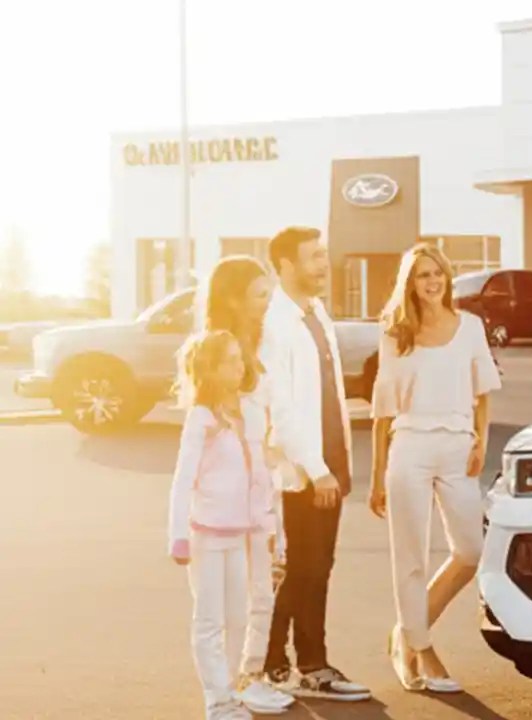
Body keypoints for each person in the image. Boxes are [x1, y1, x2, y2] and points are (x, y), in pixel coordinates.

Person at [368, 243, 501, 692]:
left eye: (437, 274)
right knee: (410, 557)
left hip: (458, 446)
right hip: (409, 447)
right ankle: (419, 651)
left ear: (446, 278)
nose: (431, 282)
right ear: (410, 283)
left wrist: (481, 438)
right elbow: (382, 410)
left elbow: (483, 390)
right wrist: (376, 477)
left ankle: (404, 632)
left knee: (469, 550)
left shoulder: (471, 328)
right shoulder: (395, 334)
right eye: (422, 275)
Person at [259, 227, 370, 701]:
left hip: (330, 464)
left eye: (325, 254)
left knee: (317, 567)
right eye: (313, 258)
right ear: (285, 265)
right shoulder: (275, 323)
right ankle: (284, 663)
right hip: (302, 473)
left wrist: (336, 464)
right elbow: (280, 407)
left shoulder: (317, 312)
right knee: (301, 568)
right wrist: (316, 467)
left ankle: (293, 663)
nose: (324, 264)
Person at [168, 330, 288, 719]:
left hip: (240, 534)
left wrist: (271, 528)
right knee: (209, 620)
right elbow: (183, 479)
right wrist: (178, 536)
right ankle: (217, 702)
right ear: (211, 370)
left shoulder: (245, 412)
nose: (241, 366)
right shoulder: (201, 419)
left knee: (237, 616)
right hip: (206, 537)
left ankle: (232, 691)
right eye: (231, 361)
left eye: (241, 358)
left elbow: (261, 476)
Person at [199, 255, 296, 712]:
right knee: (233, 599)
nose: (267, 303)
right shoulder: (220, 353)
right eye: (260, 295)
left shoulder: (263, 342)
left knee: (265, 582)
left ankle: (250, 675)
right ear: (234, 298)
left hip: (264, 479)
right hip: (232, 495)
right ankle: (231, 688)